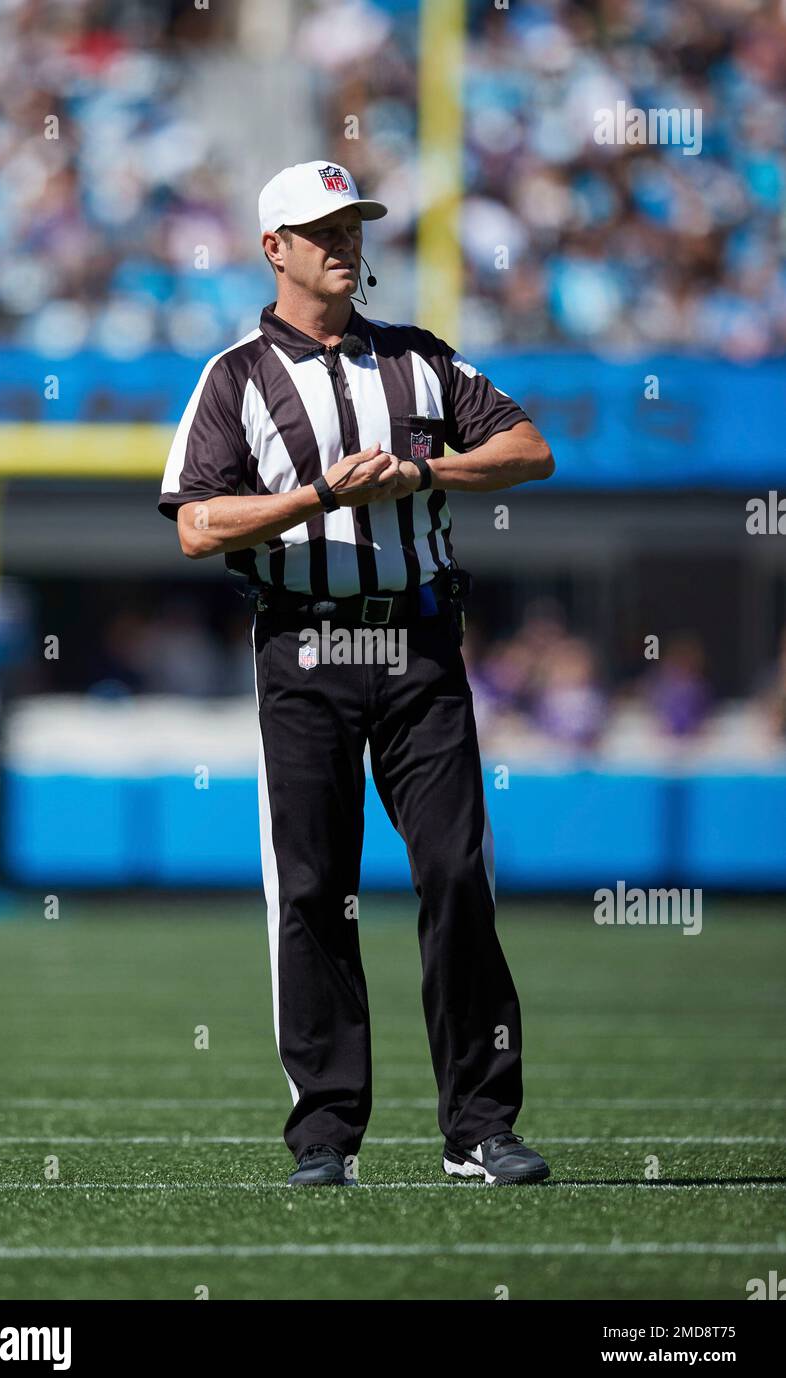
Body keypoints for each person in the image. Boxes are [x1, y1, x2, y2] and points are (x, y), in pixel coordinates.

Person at [158, 160, 555, 1186]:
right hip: (303, 647)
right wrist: (306, 499)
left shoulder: (419, 360)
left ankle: (478, 1126)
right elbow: (197, 524)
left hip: (418, 646)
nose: (342, 243)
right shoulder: (235, 376)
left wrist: (422, 470)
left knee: (458, 874)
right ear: (272, 248)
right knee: (311, 891)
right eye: (320, 228)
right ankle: (325, 1134)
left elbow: (527, 449)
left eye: (353, 225)